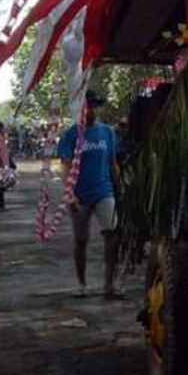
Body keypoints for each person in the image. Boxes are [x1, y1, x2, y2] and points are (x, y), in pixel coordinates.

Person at [57, 92, 121, 299]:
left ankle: (109, 285)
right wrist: (70, 194)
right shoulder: (70, 135)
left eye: (92, 106)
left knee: (112, 235)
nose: (89, 111)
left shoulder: (108, 133)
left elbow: (113, 164)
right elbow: (65, 167)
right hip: (80, 196)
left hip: (104, 191)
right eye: (85, 107)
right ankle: (81, 284)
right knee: (81, 240)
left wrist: (120, 187)